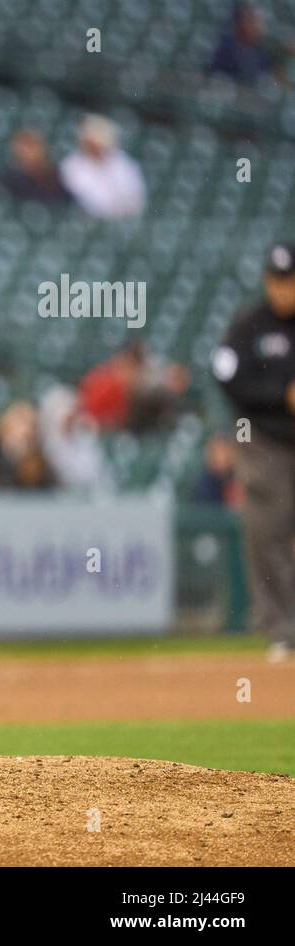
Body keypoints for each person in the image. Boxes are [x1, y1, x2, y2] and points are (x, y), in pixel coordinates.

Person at [211, 241, 295, 663]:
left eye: (290, 280)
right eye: (277, 280)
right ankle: (281, 630)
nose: (284, 289)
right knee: (268, 531)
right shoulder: (249, 325)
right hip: (263, 441)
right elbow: (225, 375)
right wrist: (280, 395)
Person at [59, 115, 146, 220]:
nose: (95, 145)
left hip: (126, 220)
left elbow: (136, 198)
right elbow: (89, 202)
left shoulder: (122, 162)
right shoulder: (71, 166)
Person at [0, 129, 71, 206]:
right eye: (22, 148)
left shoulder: (56, 177)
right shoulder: (9, 180)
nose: (27, 153)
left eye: (30, 146)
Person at [209, 2, 274, 86]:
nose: (257, 27)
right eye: (250, 21)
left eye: (258, 22)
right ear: (239, 23)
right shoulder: (224, 48)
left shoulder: (262, 55)